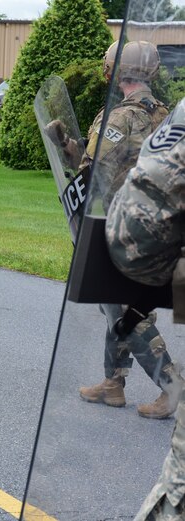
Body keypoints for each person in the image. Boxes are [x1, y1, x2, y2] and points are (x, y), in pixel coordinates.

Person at [76, 41, 183, 419]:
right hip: (163, 224)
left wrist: (73, 153)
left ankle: (175, 391)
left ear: (117, 71)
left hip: (129, 227)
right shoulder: (166, 115)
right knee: (114, 301)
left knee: (127, 310)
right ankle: (113, 383)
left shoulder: (119, 119)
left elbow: (92, 174)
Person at [105, 97, 185, 520]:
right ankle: (114, 381)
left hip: (137, 234)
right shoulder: (162, 108)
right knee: (121, 312)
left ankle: (166, 385)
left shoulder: (132, 118)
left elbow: (131, 246)